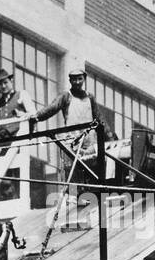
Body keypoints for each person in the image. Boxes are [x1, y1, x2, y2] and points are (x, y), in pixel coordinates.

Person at [34, 64, 116, 200]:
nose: (77, 82)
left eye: (80, 79)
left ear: (84, 80)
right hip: (73, 141)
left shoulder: (90, 98)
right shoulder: (66, 96)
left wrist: (110, 137)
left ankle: (94, 196)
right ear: (70, 81)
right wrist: (37, 117)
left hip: (90, 141)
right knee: (72, 171)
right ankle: (73, 197)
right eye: (74, 79)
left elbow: (99, 118)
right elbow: (52, 108)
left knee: (93, 170)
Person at [0, 68, 36, 143]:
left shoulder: (21, 94)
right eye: (0, 84)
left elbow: (33, 113)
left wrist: (23, 115)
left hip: (18, 140)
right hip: (1, 142)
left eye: (5, 82)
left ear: (11, 81)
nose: (3, 86)